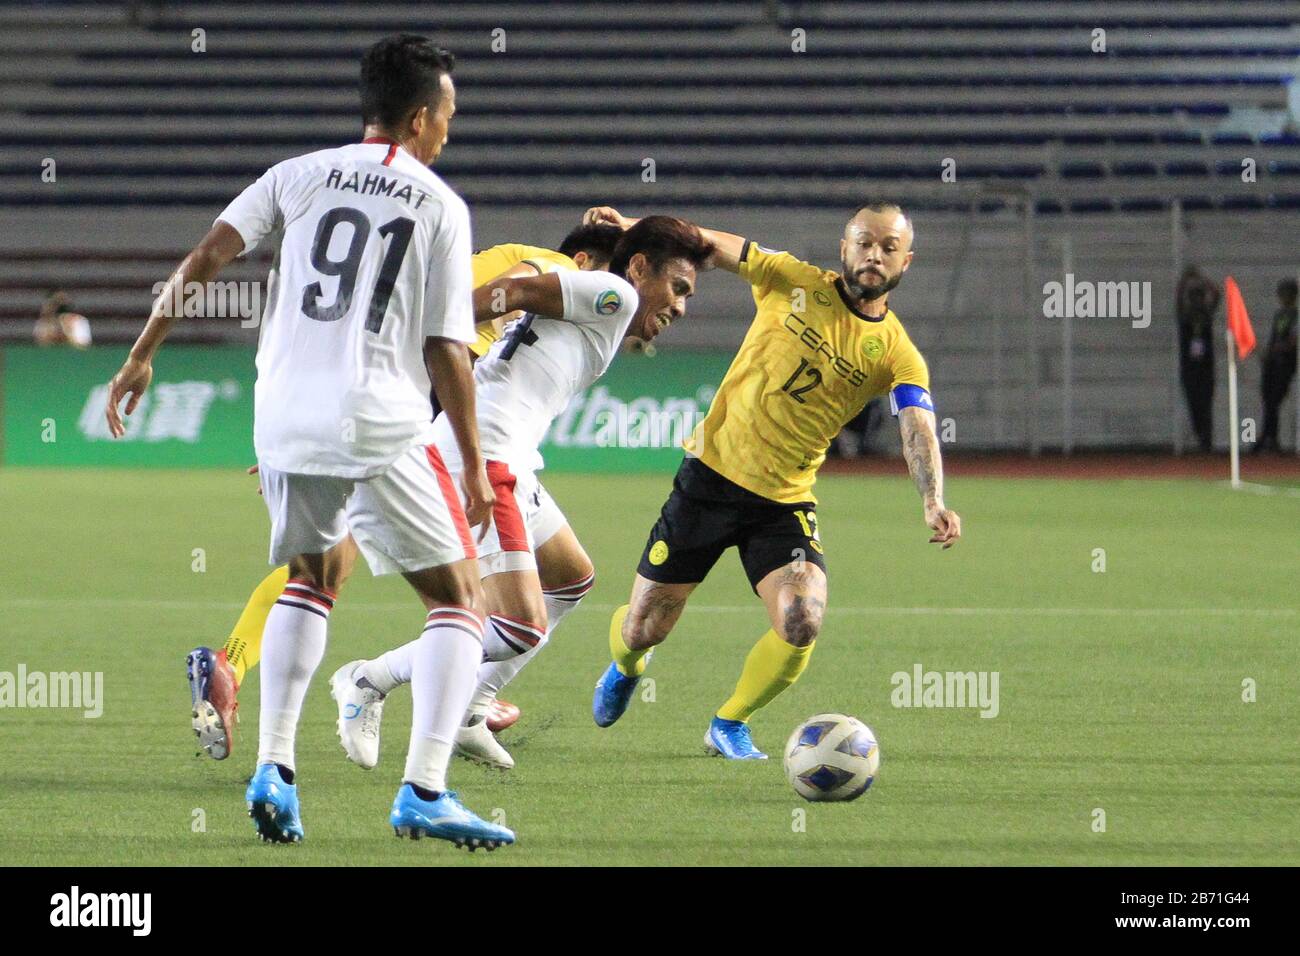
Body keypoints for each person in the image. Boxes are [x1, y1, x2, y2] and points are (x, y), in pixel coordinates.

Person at [108, 35, 514, 850]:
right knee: (460, 601)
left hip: (282, 416)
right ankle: (426, 788)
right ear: (416, 117)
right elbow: (445, 348)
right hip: (375, 418)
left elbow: (205, 256)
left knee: (313, 579)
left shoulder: (296, 173)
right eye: (446, 117)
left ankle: (276, 769)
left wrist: (142, 351)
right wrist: (472, 462)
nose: (447, 132)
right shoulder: (438, 203)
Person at [184, 223, 624, 768]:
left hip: (400, 394)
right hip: (434, 401)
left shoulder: (515, 265)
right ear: (583, 260)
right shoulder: (545, 267)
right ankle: (408, 693)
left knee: (335, 560)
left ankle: (238, 664)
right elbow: (494, 300)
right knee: (436, 589)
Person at [334, 217, 713, 771]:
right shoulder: (612, 292)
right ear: (637, 269)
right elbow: (511, 291)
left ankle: (471, 710)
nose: (680, 306)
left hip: (511, 460)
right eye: (677, 287)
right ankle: (369, 679)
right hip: (484, 458)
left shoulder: (605, 304)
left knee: (572, 578)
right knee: (516, 625)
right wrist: (447, 320)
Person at [584, 202, 961, 759]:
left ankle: (729, 722)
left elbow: (918, 426)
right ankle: (627, 664)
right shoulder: (792, 280)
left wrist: (934, 500)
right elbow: (706, 244)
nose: (873, 256)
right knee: (645, 627)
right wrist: (635, 228)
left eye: (887, 247)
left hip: (783, 501)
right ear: (843, 248)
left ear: (908, 259)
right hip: (710, 479)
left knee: (802, 618)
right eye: (863, 242)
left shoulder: (898, 355)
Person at [1176, 265, 1220, 452]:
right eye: (1193, 296)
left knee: (1206, 402)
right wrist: (1185, 280)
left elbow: (1217, 294)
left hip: (1205, 366)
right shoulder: (1185, 318)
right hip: (1189, 366)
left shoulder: (1206, 315)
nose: (1197, 300)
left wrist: (1202, 278)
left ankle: (1206, 440)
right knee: (1193, 402)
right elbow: (1178, 299)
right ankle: (1199, 434)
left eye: (1199, 296)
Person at [1257, 278, 1298, 453]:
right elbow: (1275, 337)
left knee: (1274, 400)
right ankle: (1267, 436)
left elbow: (1292, 342)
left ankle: (1270, 438)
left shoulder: (1295, 317)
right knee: (1268, 400)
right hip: (1273, 364)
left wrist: (1276, 349)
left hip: (1285, 364)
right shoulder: (1279, 315)